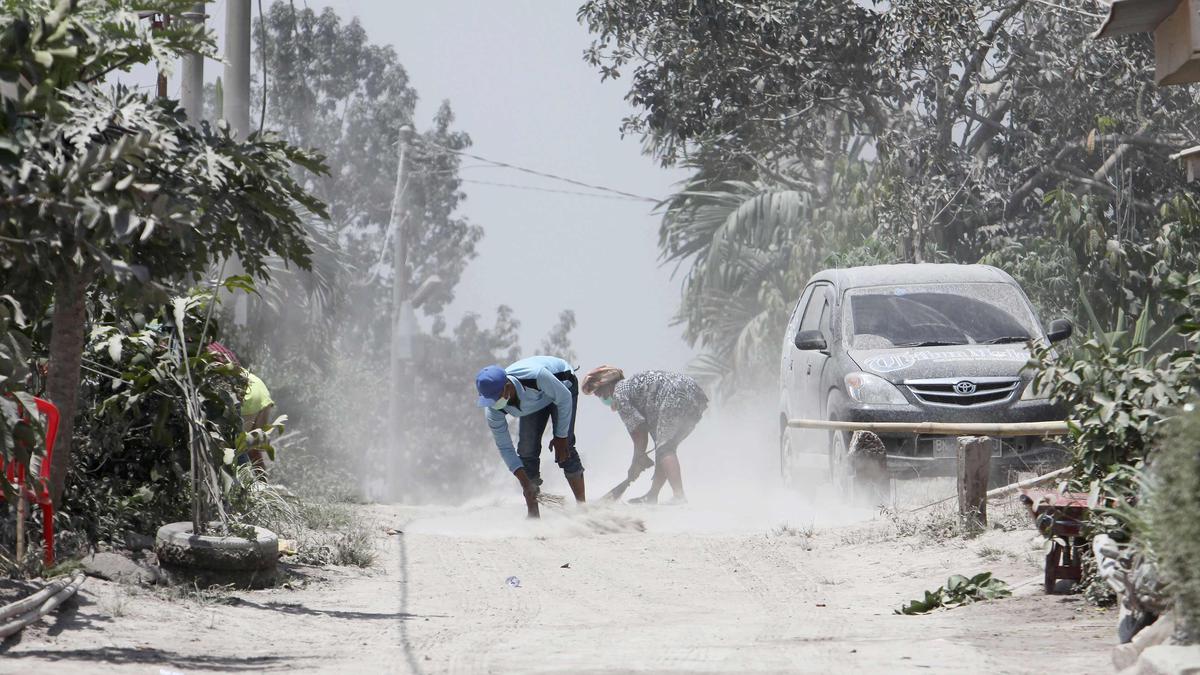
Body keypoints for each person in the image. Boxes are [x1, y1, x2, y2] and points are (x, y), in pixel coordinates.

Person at [475, 355, 585, 518]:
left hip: (562, 385)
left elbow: (564, 398)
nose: (492, 403)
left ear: (507, 386)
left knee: (565, 447)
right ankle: (533, 516)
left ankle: (583, 510)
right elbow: (505, 447)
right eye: (489, 399)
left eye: (495, 397)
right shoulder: (493, 409)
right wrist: (526, 483)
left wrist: (560, 436)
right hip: (533, 403)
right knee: (526, 452)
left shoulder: (536, 376)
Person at [581, 366, 708, 505]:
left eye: (598, 392)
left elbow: (639, 432)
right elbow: (650, 440)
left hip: (674, 394)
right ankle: (652, 495)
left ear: (607, 384)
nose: (599, 396)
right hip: (694, 394)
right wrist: (639, 459)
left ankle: (679, 496)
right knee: (664, 448)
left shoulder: (619, 393)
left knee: (665, 449)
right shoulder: (634, 391)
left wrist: (637, 460)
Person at [207, 342, 275, 473]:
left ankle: (244, 488)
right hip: (257, 385)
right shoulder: (213, 344)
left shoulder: (190, 347)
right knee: (254, 449)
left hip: (240, 394)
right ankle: (262, 488)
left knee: (233, 450)